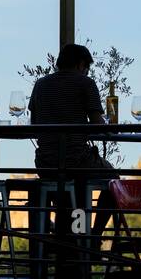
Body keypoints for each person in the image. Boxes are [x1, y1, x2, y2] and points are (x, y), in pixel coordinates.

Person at [28, 43, 117, 178]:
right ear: (81, 64)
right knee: (113, 176)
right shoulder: (86, 83)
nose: (86, 72)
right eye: (87, 69)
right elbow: (97, 125)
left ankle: (71, 199)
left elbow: (34, 124)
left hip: (45, 164)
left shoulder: (40, 85)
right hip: (77, 162)